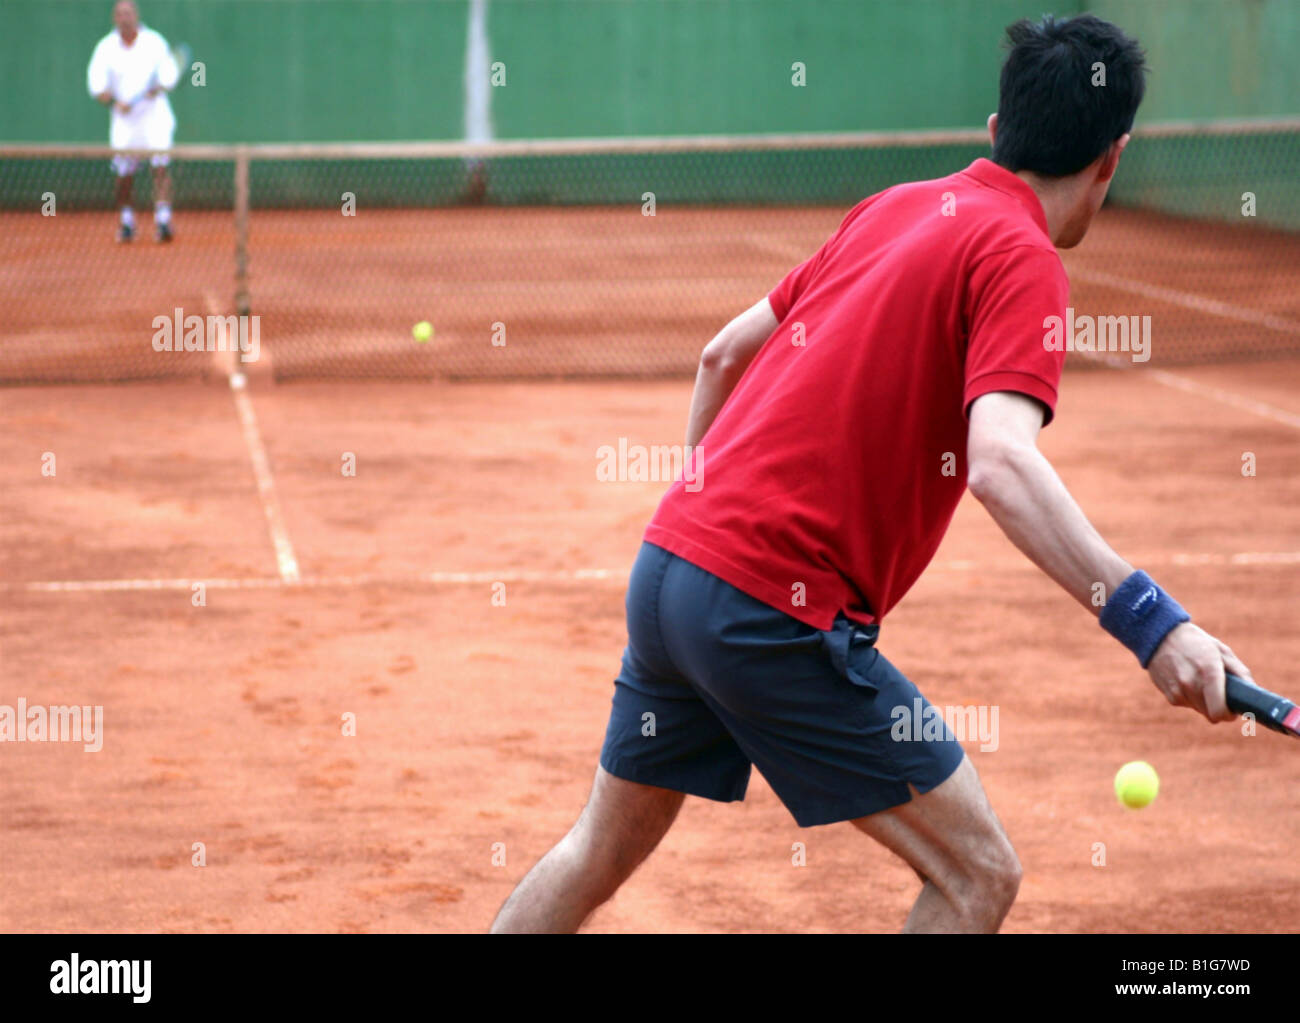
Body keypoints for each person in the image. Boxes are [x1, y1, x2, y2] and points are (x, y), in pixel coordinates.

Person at [491, 14, 1256, 934]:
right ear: (1112, 159)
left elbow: (720, 356)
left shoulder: (896, 205)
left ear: (993, 130)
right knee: (978, 875)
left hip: (670, 571)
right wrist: (1153, 625)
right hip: (769, 608)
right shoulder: (1022, 258)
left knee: (596, 850)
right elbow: (1003, 463)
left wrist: (708, 514)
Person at [87, 1, 180, 243]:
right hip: (124, 123)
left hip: (155, 118)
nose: (125, 18)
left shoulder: (154, 42)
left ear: (136, 15)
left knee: (160, 168)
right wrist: (114, 102)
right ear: (114, 18)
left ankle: (163, 220)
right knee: (123, 175)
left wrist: (155, 89)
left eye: (128, 13)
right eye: (120, 14)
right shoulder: (105, 48)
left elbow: (168, 76)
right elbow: (97, 86)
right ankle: (127, 222)